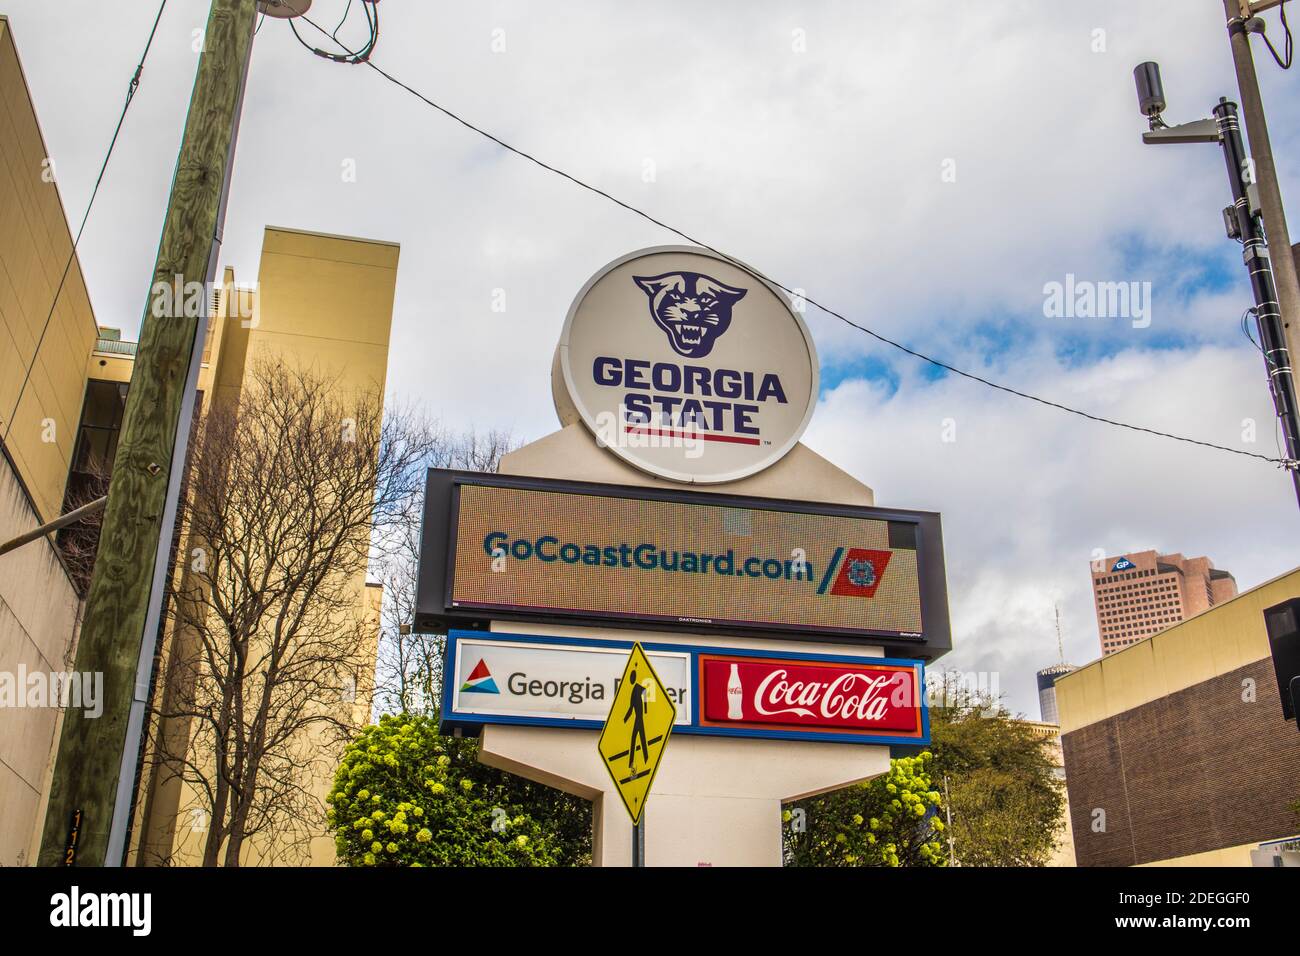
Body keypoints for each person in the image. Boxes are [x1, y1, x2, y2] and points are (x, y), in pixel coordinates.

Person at [623, 668, 649, 771]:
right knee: (641, 739)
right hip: (637, 719)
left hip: (640, 718)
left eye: (632, 677)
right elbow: (630, 708)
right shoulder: (632, 692)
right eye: (631, 678)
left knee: (635, 739)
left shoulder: (637, 687)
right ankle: (645, 759)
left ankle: (634, 762)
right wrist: (624, 719)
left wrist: (646, 708)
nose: (631, 679)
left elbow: (645, 691)